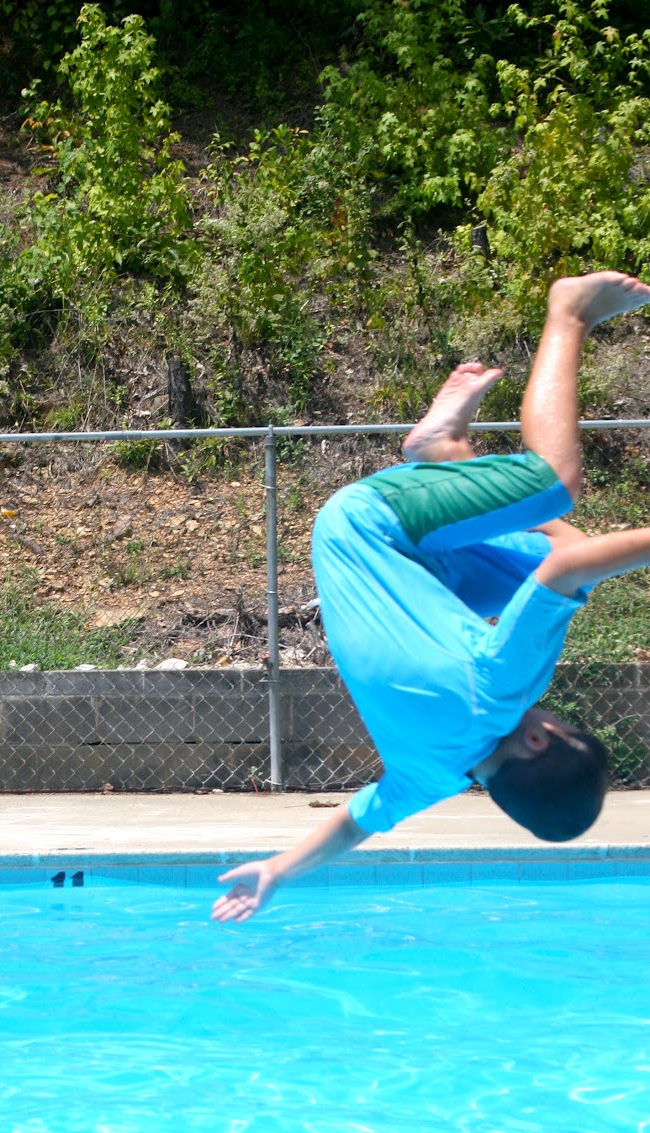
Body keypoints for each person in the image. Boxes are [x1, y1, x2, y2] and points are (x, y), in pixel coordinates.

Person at [213, 270, 650, 925]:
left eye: (559, 725)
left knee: (553, 487)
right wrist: (276, 870)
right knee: (558, 543)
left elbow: (565, 571)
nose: (551, 713)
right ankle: (444, 451)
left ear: (539, 742)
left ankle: (568, 313)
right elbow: (353, 826)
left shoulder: (502, 689)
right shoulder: (431, 775)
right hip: (414, 570)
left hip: (378, 522)